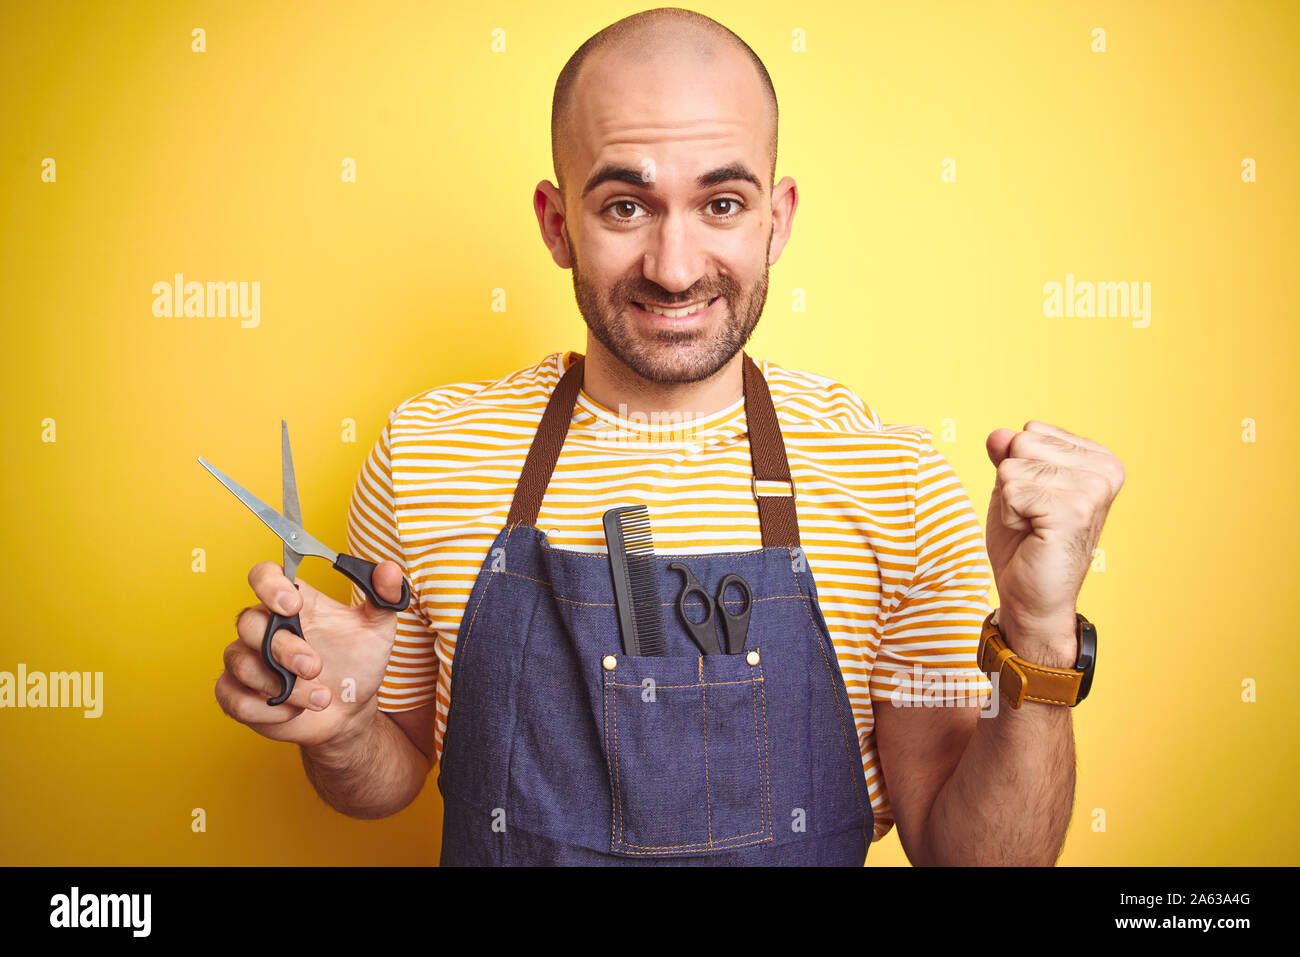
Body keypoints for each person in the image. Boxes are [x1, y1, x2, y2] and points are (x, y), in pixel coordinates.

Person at [215, 8, 1124, 865]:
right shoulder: (426, 454)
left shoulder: (894, 476)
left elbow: (975, 856)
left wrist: (1039, 636)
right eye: (625, 207)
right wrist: (338, 728)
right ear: (556, 221)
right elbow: (389, 774)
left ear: (780, 217)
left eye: (722, 203)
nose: (676, 266)